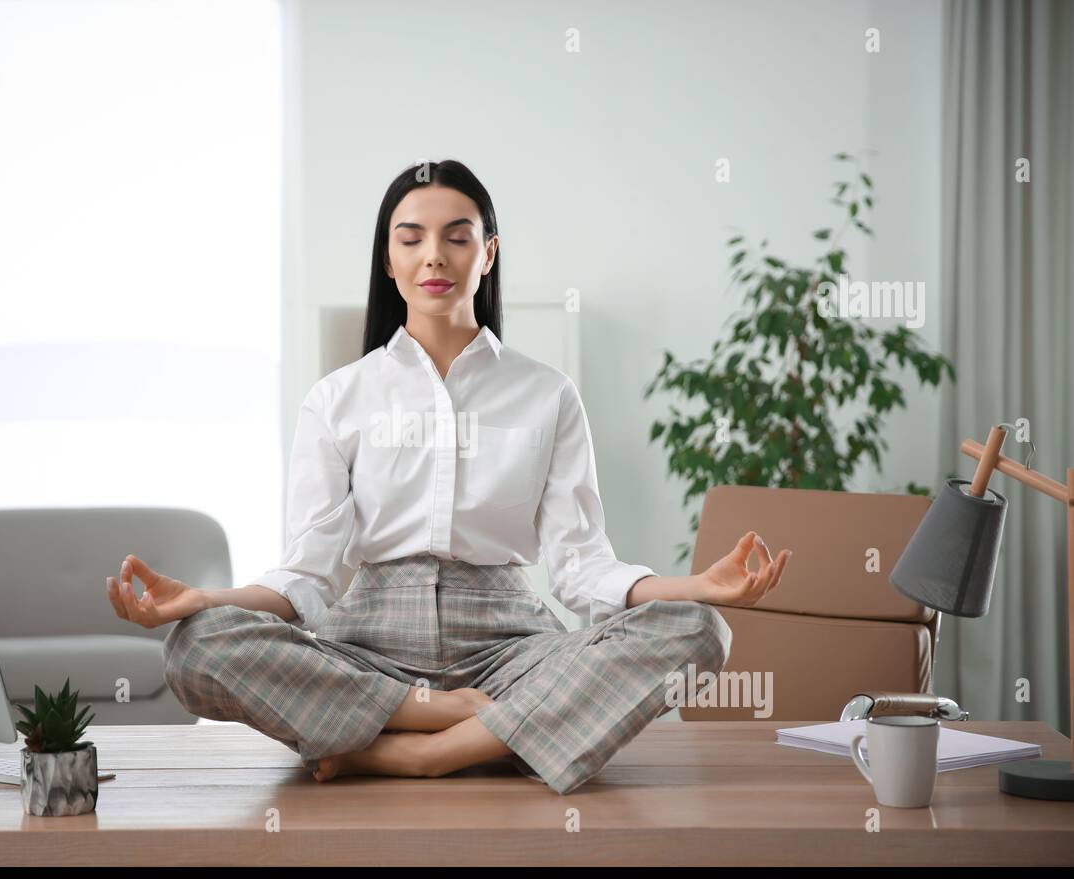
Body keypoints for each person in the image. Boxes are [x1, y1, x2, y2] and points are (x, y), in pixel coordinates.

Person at [106, 159, 791, 795]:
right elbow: (308, 579)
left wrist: (695, 586)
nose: (434, 255)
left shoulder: (547, 394)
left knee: (700, 631)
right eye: (412, 238)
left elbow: (582, 569)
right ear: (389, 258)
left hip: (512, 649)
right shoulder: (337, 399)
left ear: (488, 253)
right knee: (197, 646)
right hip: (367, 650)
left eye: (457, 237)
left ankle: (412, 750)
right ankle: (470, 723)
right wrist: (200, 600)